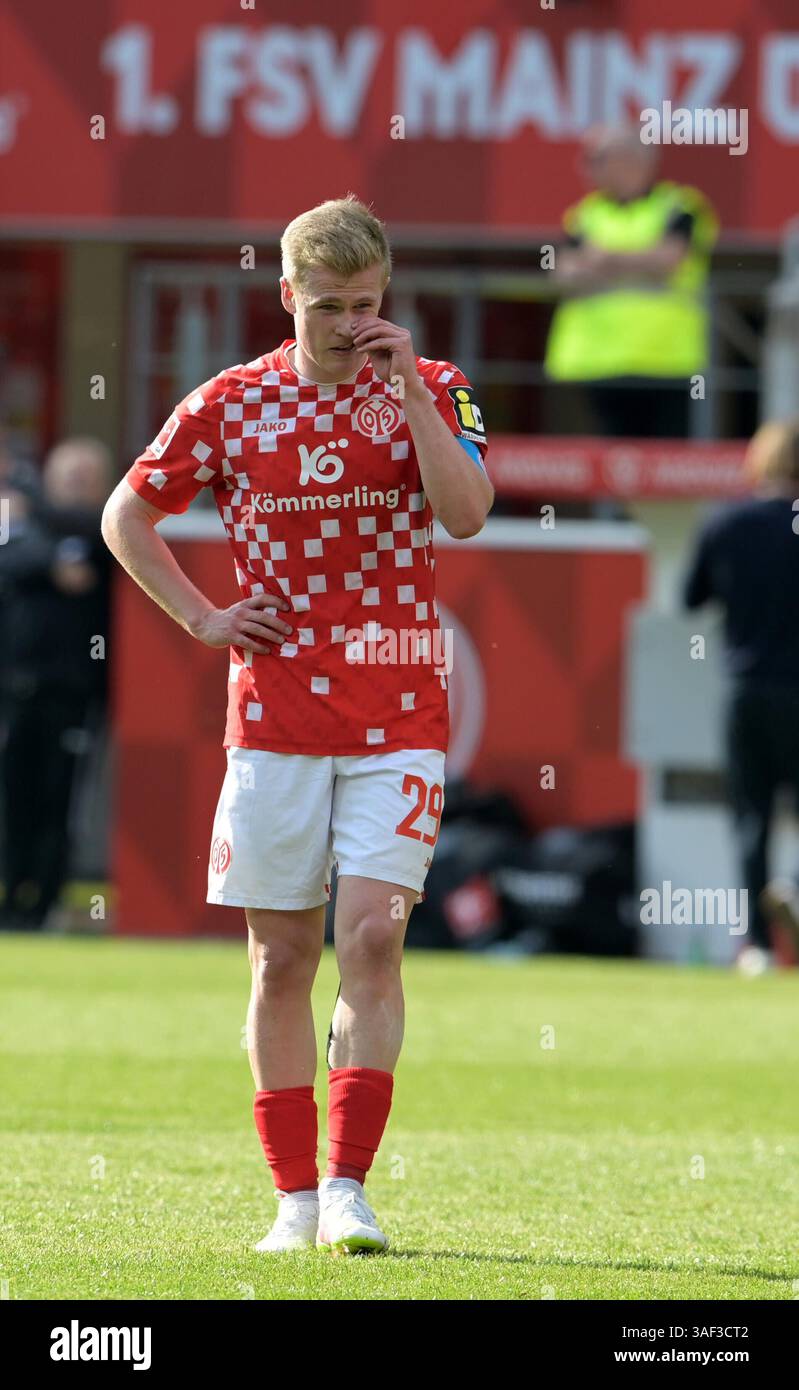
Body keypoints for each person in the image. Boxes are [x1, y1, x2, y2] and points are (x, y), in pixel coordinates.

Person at [101, 195, 493, 1254]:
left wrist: (407, 379)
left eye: (368, 304)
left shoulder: (432, 386)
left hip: (399, 708)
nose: (349, 324)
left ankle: (350, 1186)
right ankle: (292, 1201)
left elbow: (464, 511)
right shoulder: (232, 403)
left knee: (371, 936)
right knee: (280, 959)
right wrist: (202, 614)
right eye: (328, 305)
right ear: (287, 296)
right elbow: (125, 511)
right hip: (273, 715)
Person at [682, 419, 799, 973]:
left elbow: (690, 596)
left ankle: (755, 945)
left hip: (745, 690)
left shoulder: (727, 523)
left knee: (751, 820)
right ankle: (792, 887)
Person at [0, 436, 111, 930]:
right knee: (10, 799)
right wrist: (49, 561)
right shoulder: (19, 523)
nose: (73, 488)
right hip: (14, 688)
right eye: (67, 477)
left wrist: (29, 519)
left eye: (84, 480)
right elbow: (9, 558)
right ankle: (9, 900)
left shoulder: (105, 529)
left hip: (73, 693)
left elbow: (92, 556)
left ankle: (42, 905)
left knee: (59, 802)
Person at [545, 124, 718, 438]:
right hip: (595, 363)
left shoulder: (680, 207)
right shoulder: (585, 214)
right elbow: (561, 271)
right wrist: (637, 260)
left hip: (667, 361)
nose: (585, 168)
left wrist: (604, 259)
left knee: (666, 467)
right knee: (605, 468)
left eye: (596, 158)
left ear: (630, 160)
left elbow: (668, 260)